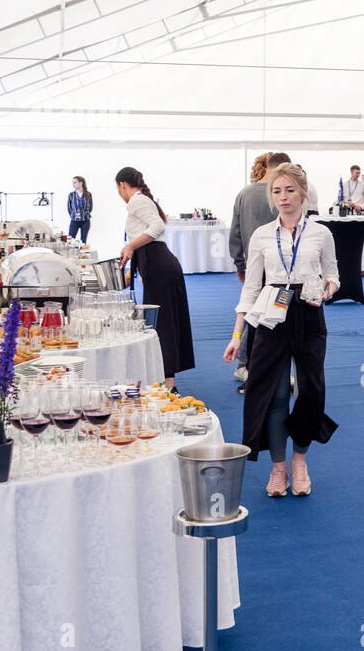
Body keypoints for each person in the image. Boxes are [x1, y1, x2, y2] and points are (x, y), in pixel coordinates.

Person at [223, 163, 339, 497]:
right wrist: (237, 335)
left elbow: (334, 275)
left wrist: (326, 291)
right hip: (272, 310)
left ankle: (299, 462)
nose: (283, 197)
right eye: (277, 191)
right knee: (271, 393)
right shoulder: (261, 235)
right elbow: (250, 289)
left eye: (289, 190)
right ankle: (277, 469)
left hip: (309, 313)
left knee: (310, 390)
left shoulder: (321, 233)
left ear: (303, 193)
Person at [115, 167, 195, 389]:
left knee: (163, 325)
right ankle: (166, 382)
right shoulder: (144, 200)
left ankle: (169, 385)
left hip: (160, 266)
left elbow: (158, 227)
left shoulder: (136, 201)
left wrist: (130, 246)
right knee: (163, 323)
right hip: (158, 265)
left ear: (122, 185)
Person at [230, 151, 291, 389]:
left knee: (252, 315)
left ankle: (246, 365)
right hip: (280, 269)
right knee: (274, 318)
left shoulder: (244, 194)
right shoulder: (284, 196)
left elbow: (234, 234)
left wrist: (239, 264)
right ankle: (262, 368)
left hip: (254, 267)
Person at [67, 176, 92, 243]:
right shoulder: (71, 195)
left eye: (75, 182)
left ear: (81, 183)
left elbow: (90, 208)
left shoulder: (88, 194)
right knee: (70, 240)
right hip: (74, 221)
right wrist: (73, 215)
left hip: (85, 221)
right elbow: (69, 208)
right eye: (73, 183)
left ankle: (82, 253)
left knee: (83, 241)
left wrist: (84, 214)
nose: (73, 184)